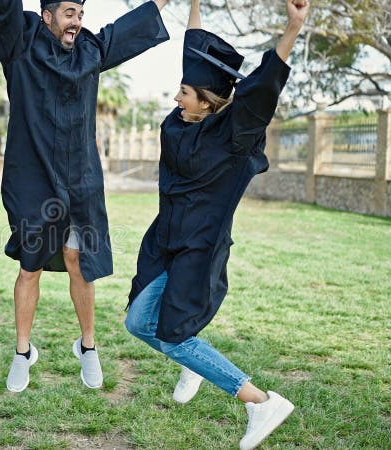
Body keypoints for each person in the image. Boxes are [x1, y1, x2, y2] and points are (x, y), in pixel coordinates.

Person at [124, 1, 309, 448]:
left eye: (184, 92)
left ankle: (260, 401)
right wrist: (194, 6)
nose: (175, 98)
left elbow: (263, 89)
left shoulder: (233, 136)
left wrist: (293, 27)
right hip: (164, 239)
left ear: (207, 101)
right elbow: (193, 49)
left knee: (172, 335)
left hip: (200, 247)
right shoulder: (177, 125)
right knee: (138, 322)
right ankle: (195, 359)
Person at [0, 0, 170, 392]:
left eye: (81, 15)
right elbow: (2, 9)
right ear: (47, 16)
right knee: (29, 266)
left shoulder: (90, 51)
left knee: (77, 259)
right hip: (32, 180)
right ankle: (21, 352)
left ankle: (87, 346)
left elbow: (130, 26)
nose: (77, 22)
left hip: (80, 180)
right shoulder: (21, 45)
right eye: (69, 13)